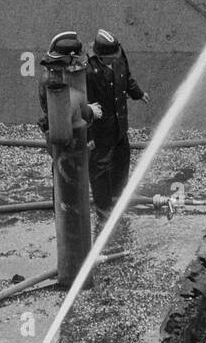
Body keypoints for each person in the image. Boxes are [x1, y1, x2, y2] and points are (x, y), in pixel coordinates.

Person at [84, 29, 148, 220]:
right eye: (111, 58)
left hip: (119, 124)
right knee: (100, 168)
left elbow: (126, 77)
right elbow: (84, 108)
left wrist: (138, 93)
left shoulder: (119, 54)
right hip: (101, 130)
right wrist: (88, 137)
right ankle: (103, 208)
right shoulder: (88, 72)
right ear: (101, 57)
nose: (115, 59)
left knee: (122, 160)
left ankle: (118, 198)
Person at [37, 31, 101, 138]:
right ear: (67, 57)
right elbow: (65, 112)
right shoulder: (54, 81)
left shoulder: (55, 72)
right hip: (65, 134)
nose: (76, 60)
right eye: (75, 57)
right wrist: (90, 111)